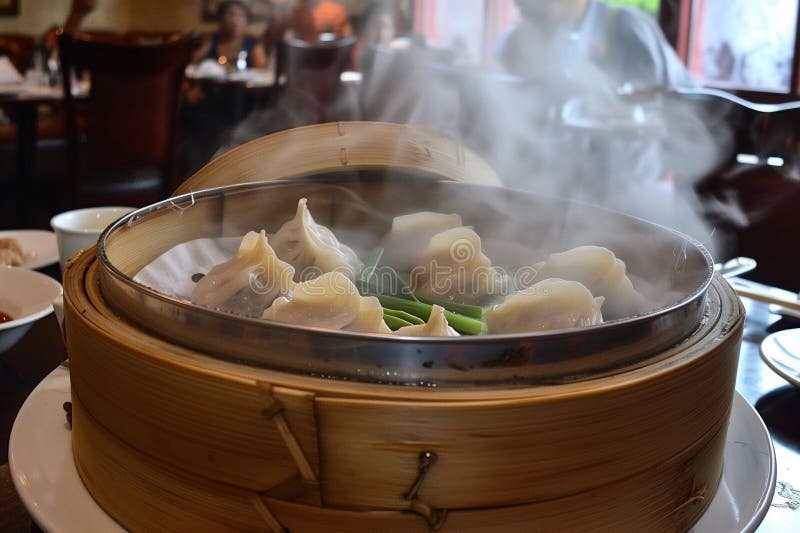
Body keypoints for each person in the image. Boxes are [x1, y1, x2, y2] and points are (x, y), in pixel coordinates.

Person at [193, 0, 268, 68]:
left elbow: (262, 72)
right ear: (221, 18)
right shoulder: (210, 40)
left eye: (241, 15)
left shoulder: (252, 43)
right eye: (231, 14)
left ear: (246, 21)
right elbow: (193, 66)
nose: (235, 20)